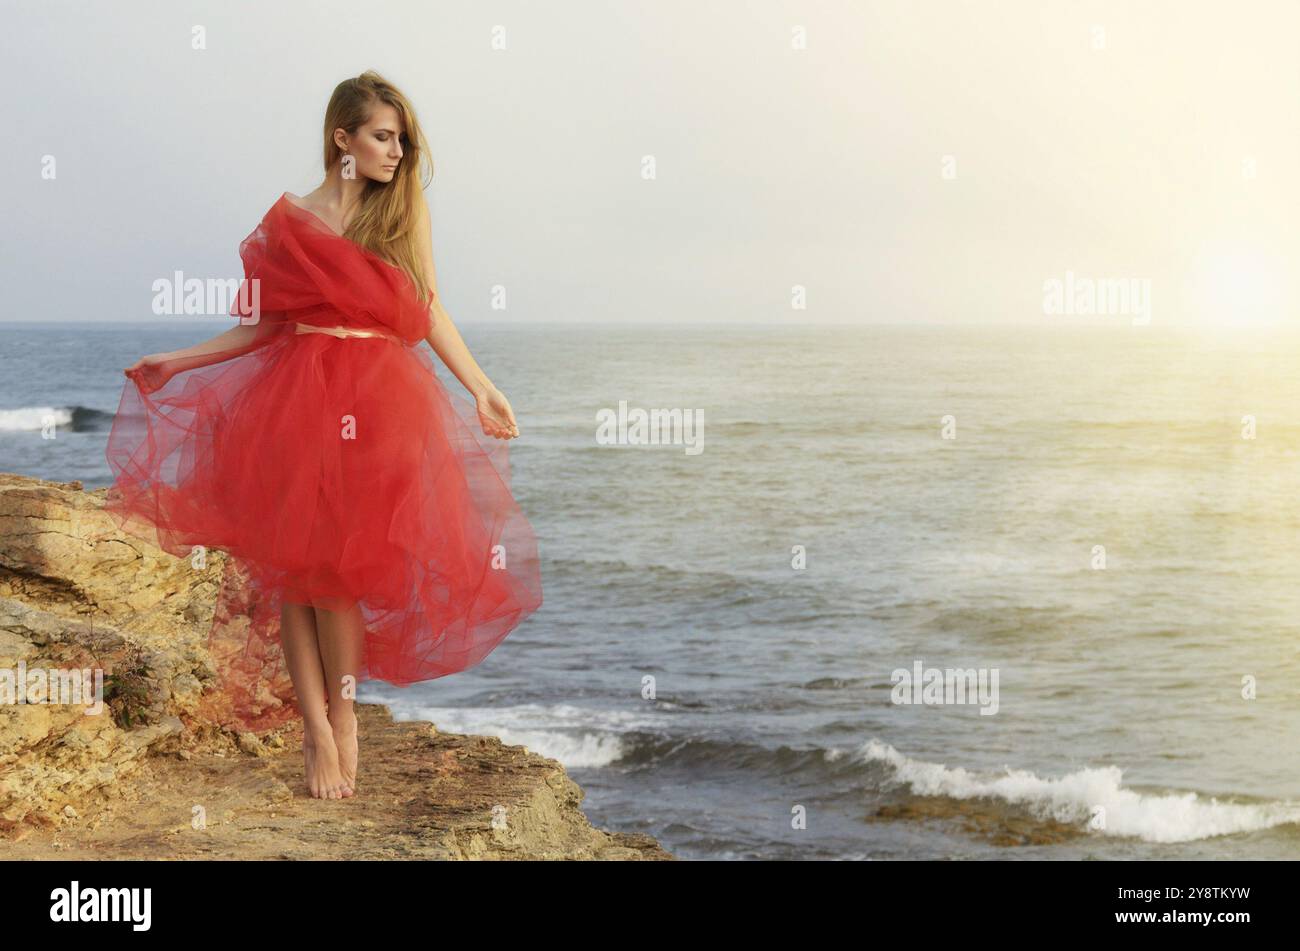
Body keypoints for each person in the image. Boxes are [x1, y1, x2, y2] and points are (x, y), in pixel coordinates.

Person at [102, 70, 543, 800]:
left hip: (381, 404)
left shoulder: (402, 214)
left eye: (401, 138)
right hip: (297, 401)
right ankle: (316, 726)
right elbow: (261, 326)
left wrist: (480, 383)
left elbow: (429, 307)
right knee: (295, 574)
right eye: (381, 135)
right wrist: (175, 359)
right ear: (342, 137)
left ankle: (345, 713)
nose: (396, 151)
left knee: (339, 577)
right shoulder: (287, 221)